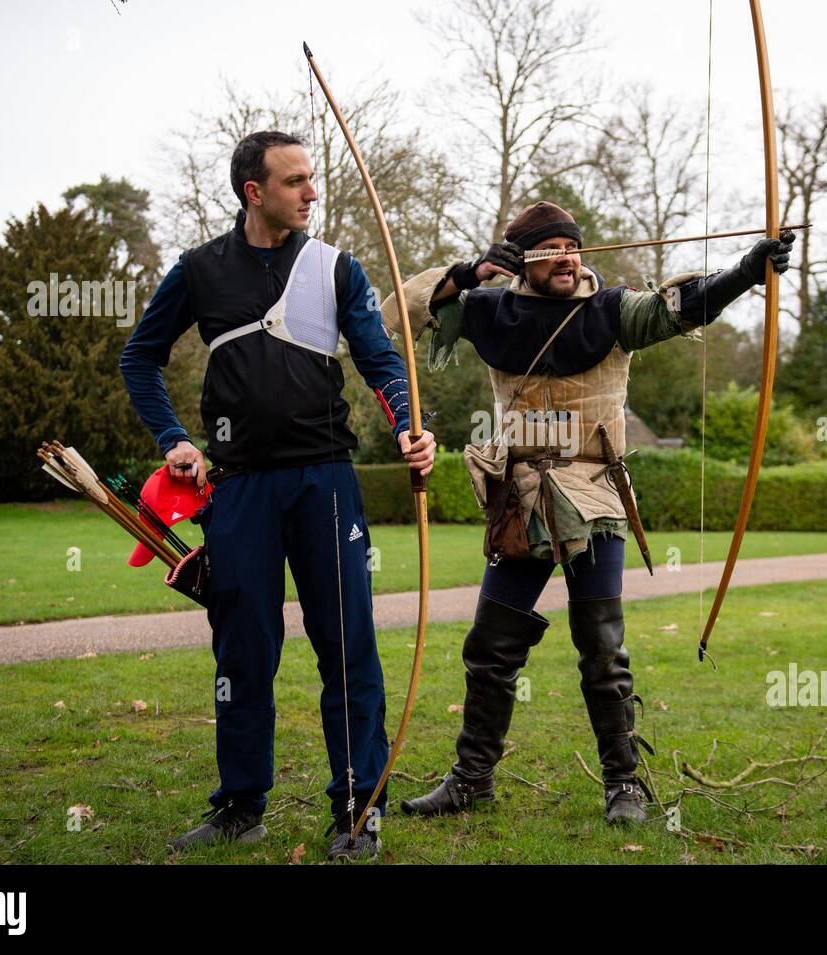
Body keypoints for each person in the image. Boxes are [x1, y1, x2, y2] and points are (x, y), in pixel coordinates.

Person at [381, 200, 791, 824]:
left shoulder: (613, 311)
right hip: (519, 497)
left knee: (602, 646)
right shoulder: (486, 308)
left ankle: (623, 783)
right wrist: (467, 273)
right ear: (525, 261)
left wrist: (745, 270)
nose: (568, 258)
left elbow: (682, 307)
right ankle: (471, 780)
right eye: (551, 251)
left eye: (572, 247)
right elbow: (393, 317)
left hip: (594, 494)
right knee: (491, 646)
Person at [119, 130, 436, 860]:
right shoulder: (199, 270)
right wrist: (174, 437)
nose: (311, 192)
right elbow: (140, 356)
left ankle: (358, 807)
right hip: (237, 490)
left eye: (312, 178)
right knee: (242, 651)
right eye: (294, 181)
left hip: (325, 482)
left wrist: (409, 426)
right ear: (252, 191)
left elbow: (381, 359)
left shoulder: (335, 269)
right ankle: (239, 805)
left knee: (347, 645)